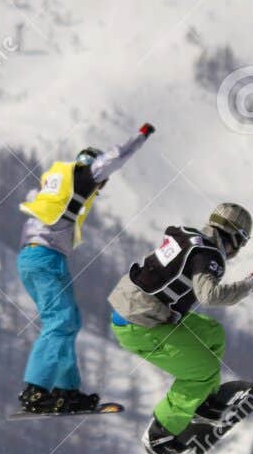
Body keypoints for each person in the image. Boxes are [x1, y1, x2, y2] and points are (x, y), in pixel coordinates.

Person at [106, 203, 253, 454]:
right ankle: (159, 435)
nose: (237, 250)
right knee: (202, 369)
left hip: (140, 312)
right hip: (140, 324)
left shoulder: (188, 236)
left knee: (212, 333)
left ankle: (203, 402)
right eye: (240, 242)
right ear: (232, 235)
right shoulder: (209, 256)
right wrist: (251, 283)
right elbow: (209, 296)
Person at [17, 123, 155, 414]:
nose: (100, 188)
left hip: (36, 257)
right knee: (60, 322)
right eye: (101, 183)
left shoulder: (54, 185)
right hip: (45, 257)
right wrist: (140, 136)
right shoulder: (84, 177)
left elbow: (33, 200)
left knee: (68, 321)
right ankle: (35, 391)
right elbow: (114, 158)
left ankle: (67, 391)